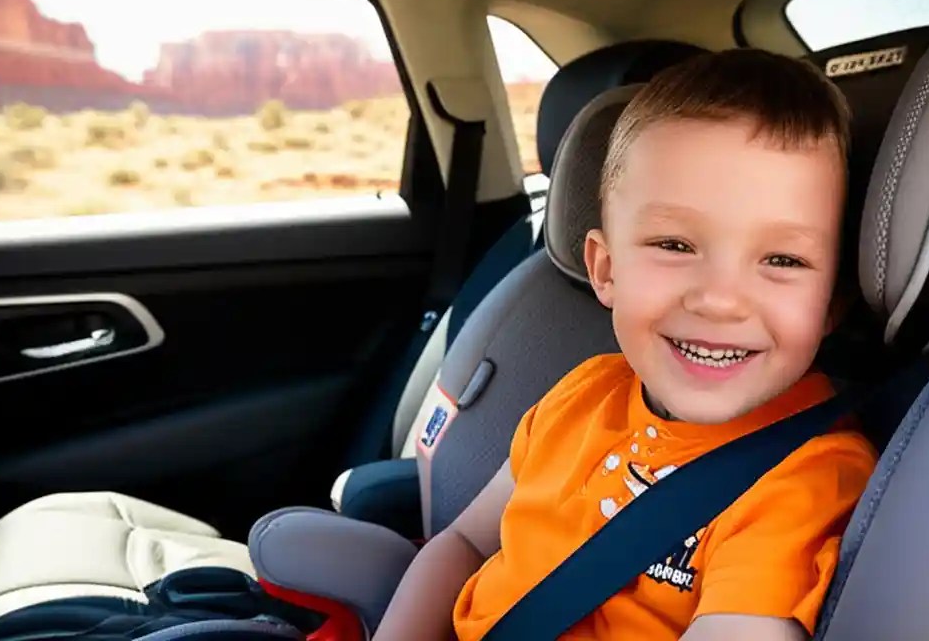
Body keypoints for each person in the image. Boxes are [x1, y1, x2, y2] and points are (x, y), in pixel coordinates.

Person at [375, 49, 878, 641]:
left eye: (783, 259)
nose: (720, 300)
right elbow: (462, 541)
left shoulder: (807, 477)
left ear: (832, 306)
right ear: (606, 270)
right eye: (675, 245)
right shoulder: (583, 394)